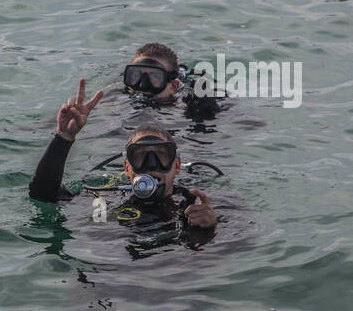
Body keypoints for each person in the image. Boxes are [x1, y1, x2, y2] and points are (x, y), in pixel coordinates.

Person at [29, 79, 218, 242]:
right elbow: (43, 195)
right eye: (141, 156)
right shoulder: (103, 198)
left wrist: (208, 228)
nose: (151, 166)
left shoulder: (197, 202)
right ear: (126, 167)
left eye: (161, 156)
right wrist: (63, 138)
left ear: (176, 166)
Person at [119, 42, 221, 118]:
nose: (142, 85)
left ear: (173, 86)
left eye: (155, 77)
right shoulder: (118, 93)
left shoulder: (193, 104)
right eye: (136, 74)